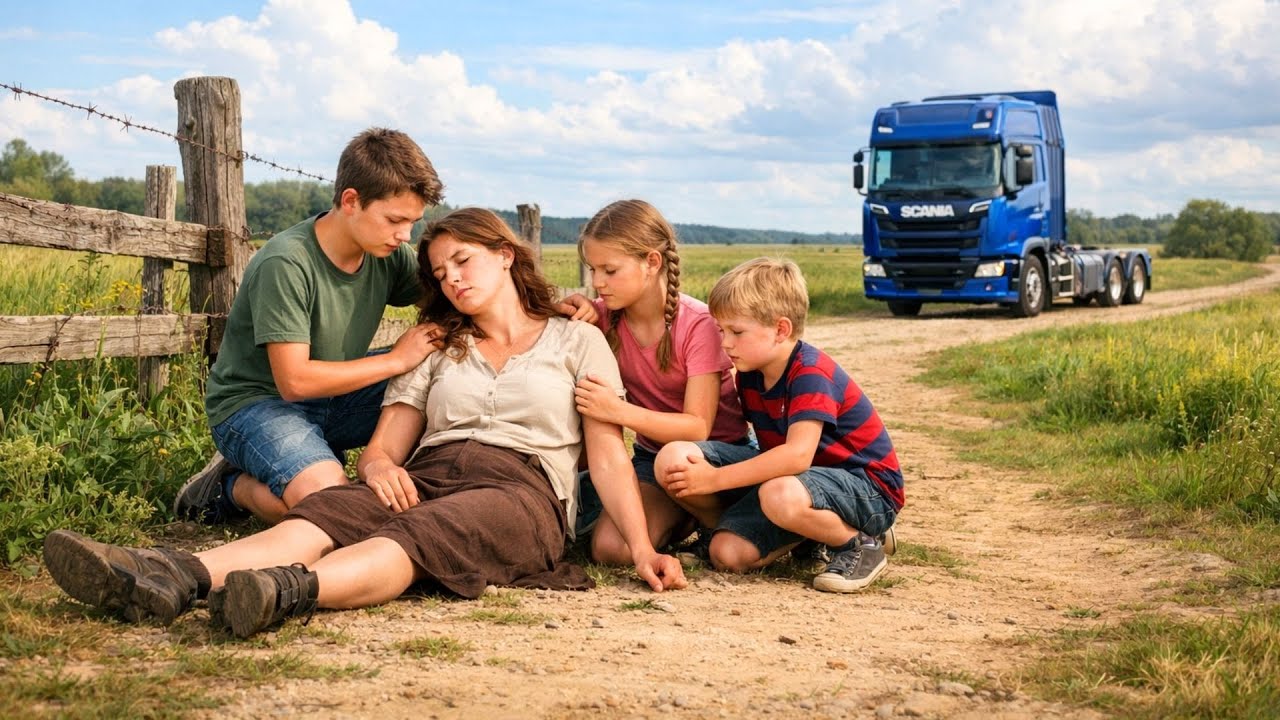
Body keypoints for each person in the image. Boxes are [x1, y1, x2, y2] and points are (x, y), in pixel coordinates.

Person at [44, 207, 686, 639]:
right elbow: (386, 447)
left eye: (463, 261)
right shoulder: (438, 341)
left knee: (425, 530)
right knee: (329, 514)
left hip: (523, 491)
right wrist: (377, 468)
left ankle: (283, 594)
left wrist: (639, 548)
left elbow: (605, 456)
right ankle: (169, 574)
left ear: (505, 254)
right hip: (432, 468)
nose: (452, 279)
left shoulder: (576, 341)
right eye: (439, 272)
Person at [173, 128, 445, 527]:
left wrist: (543, 306)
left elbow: (457, 297)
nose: (405, 235)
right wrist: (395, 360)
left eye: (413, 222)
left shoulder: (388, 253)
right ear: (351, 201)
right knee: (335, 509)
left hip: (337, 395)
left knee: (441, 375)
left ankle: (324, 461)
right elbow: (294, 382)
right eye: (394, 220)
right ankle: (232, 488)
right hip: (257, 404)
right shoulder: (287, 262)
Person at [653, 257, 904, 592]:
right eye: (721, 330)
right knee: (718, 537)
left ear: (781, 329)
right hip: (797, 485)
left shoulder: (810, 373)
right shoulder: (750, 376)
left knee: (778, 494)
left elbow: (796, 457)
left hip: (866, 487)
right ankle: (790, 532)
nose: (725, 342)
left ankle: (859, 542)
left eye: (737, 332)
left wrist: (715, 478)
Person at [567, 199, 750, 565]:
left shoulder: (697, 324)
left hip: (714, 458)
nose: (597, 283)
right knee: (610, 550)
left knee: (675, 462)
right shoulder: (603, 319)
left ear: (652, 262)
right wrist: (566, 309)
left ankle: (724, 521)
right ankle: (682, 516)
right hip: (653, 458)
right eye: (592, 270)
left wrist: (617, 410)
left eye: (609, 270)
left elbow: (698, 426)